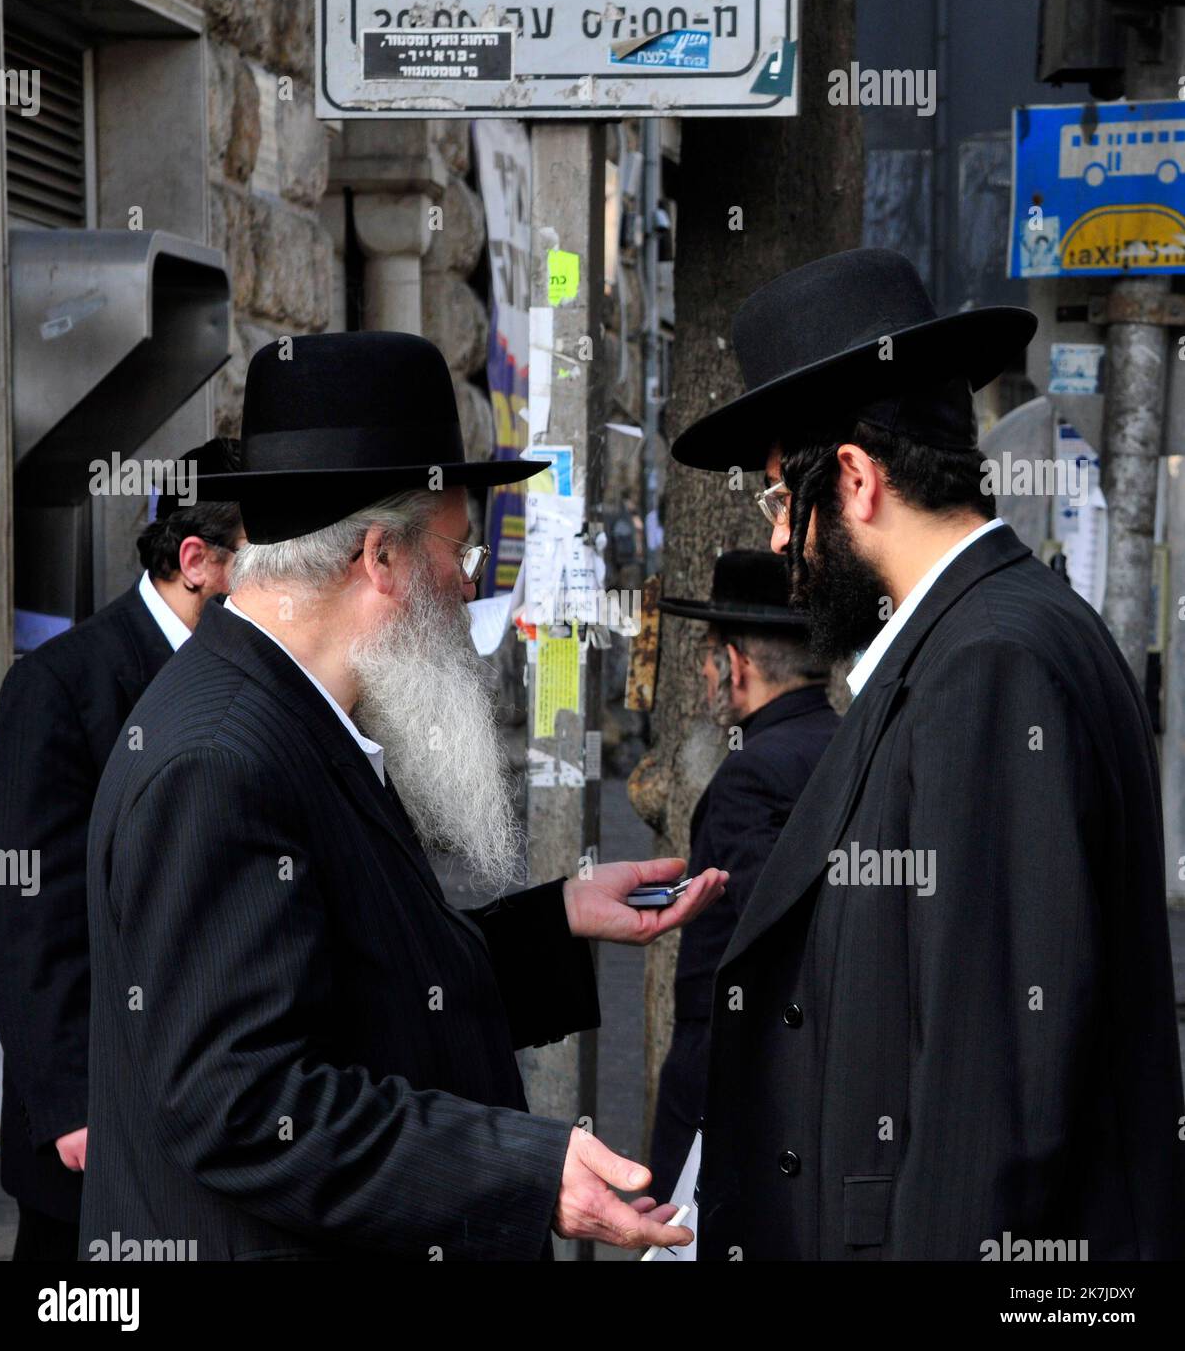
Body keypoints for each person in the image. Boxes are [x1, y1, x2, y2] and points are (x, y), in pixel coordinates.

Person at [80, 331, 727, 1261]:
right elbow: (247, 1105)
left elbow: (367, 989)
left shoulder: (290, 713)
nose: (468, 583)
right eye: (458, 547)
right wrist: (523, 1169)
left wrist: (556, 921)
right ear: (379, 556)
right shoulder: (219, 762)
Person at [670, 248, 1185, 1260]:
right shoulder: (972, 637)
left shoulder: (990, 662)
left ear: (853, 481)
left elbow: (988, 1105)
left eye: (780, 502)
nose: (778, 544)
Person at [0, 440, 243, 1261]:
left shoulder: (254, 674)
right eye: (267, 559)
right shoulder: (63, 684)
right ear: (196, 561)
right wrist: (70, 1103)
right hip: (94, 1136)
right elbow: (26, 909)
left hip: (217, 1120)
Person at [649, 550, 837, 1192]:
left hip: (729, 1087)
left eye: (708, 655)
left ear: (735, 665)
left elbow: (780, 936)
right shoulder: (846, 744)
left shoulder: (751, 777)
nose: (704, 672)